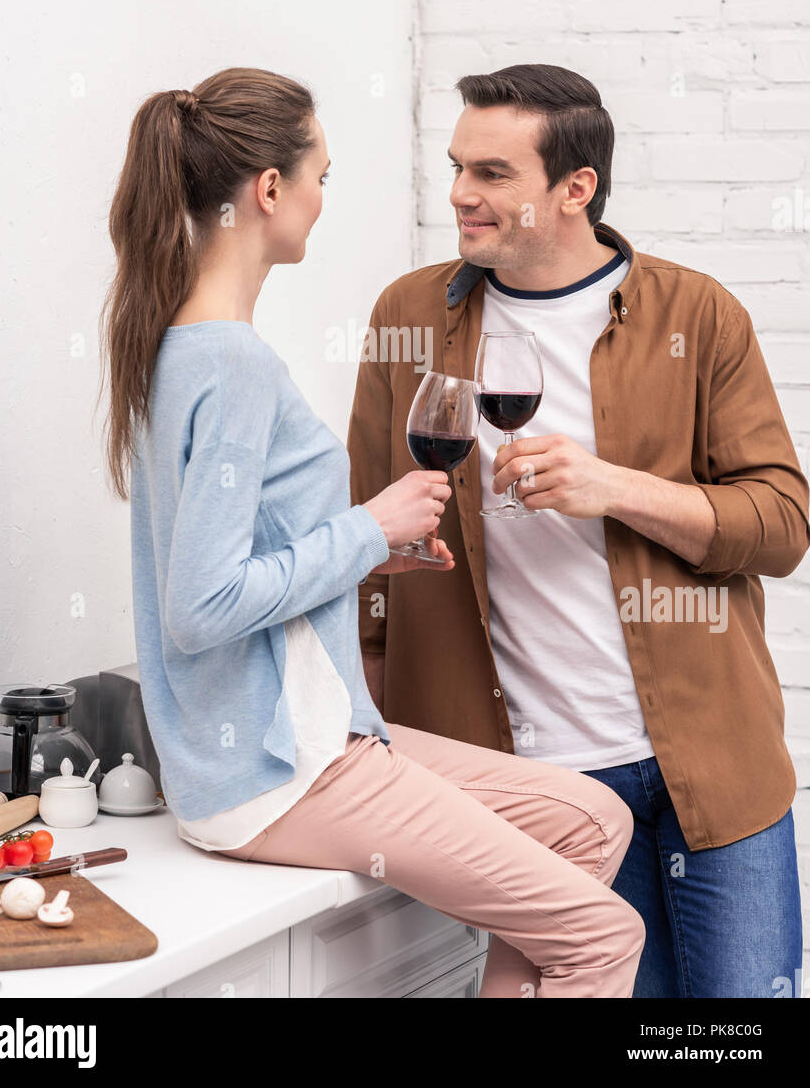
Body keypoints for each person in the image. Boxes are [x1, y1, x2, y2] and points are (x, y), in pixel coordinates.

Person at [98, 65, 645, 998]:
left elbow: (239, 556)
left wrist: (367, 542)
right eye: (320, 175)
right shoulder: (228, 361)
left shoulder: (179, 346)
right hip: (280, 767)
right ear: (269, 191)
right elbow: (200, 605)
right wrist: (365, 525)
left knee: (589, 821)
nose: (321, 199)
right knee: (602, 936)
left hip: (303, 742)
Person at [347, 62, 810, 999]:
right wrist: (363, 734)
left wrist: (618, 488)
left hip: (709, 766)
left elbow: (781, 524)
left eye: (490, 174)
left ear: (574, 188)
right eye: (455, 167)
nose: (459, 195)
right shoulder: (407, 316)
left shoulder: (696, 313)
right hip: (533, 791)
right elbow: (361, 551)